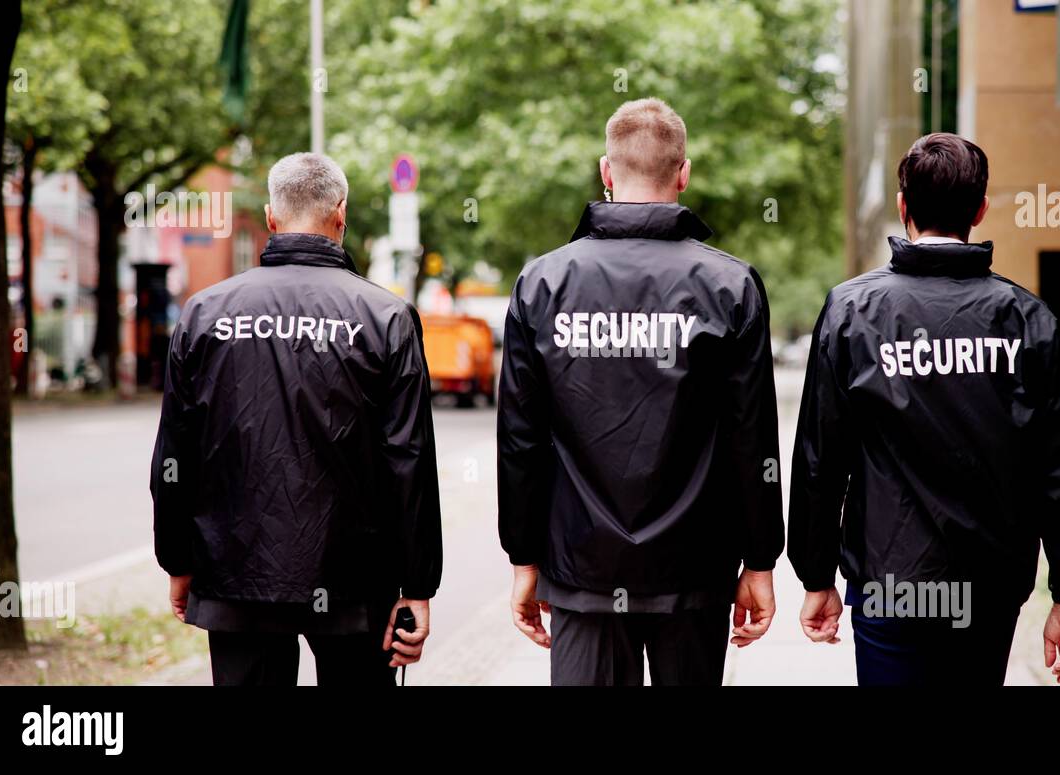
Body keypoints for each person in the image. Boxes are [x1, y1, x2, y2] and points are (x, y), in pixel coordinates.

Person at [788, 133, 1060, 686]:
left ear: (903, 207)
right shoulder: (1028, 318)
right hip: (989, 584)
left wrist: (815, 575)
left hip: (890, 583)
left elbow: (820, 459)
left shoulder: (852, 310)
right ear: (979, 210)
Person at [498, 98, 784, 686]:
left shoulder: (542, 283)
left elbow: (520, 441)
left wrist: (523, 557)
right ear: (684, 173)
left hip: (583, 568)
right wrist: (760, 560)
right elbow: (753, 439)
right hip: (694, 570)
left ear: (606, 171)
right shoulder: (730, 286)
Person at [150, 152, 442, 686]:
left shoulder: (205, 314)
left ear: (269, 216)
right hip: (356, 577)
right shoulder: (385, 318)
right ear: (341, 213)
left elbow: (175, 452)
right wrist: (418, 584)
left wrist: (178, 558)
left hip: (238, 570)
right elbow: (410, 460)